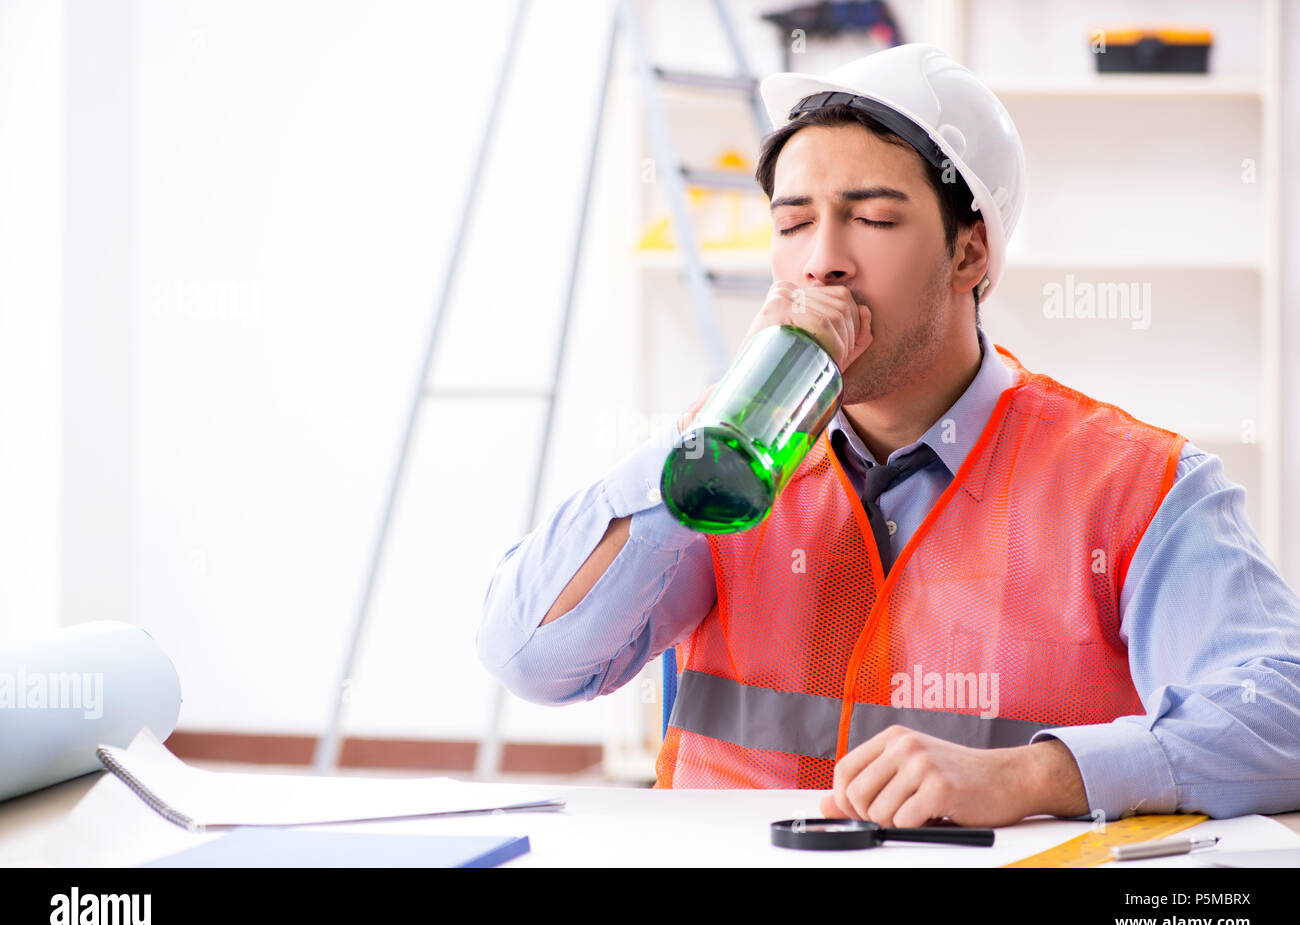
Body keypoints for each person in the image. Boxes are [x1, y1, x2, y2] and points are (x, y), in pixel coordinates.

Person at [476, 43, 1300, 828]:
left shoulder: (1133, 486)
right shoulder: (727, 469)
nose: (822, 262)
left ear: (970, 250)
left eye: (870, 218)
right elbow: (532, 660)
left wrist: (1038, 774)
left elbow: (1281, 713)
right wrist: (706, 435)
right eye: (793, 224)